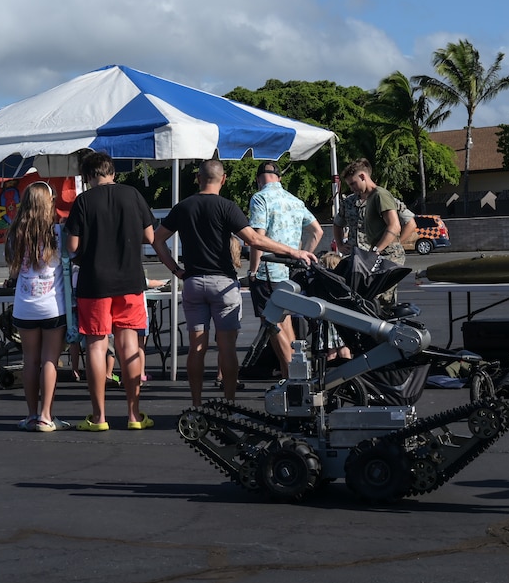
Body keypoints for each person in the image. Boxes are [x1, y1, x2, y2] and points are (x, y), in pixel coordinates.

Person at [151, 159, 318, 407]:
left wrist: (177, 271)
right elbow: (253, 240)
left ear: (198, 178)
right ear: (224, 179)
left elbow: (157, 240)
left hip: (194, 281)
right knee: (227, 347)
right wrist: (293, 252)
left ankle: (196, 404)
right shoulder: (227, 207)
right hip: (223, 284)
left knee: (197, 346)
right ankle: (229, 402)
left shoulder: (182, 207)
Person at [64, 151, 155, 431]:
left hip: (94, 283)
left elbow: (72, 248)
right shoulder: (133, 195)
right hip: (129, 280)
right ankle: (134, 415)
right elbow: (150, 237)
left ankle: (99, 416)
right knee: (129, 346)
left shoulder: (83, 201)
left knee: (96, 346)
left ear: (88, 176)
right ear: (113, 172)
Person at [247, 161, 324, 378]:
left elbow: (257, 239)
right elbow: (317, 232)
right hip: (290, 272)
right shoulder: (295, 201)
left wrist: (253, 270)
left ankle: (292, 376)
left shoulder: (260, 198)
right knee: (286, 321)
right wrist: (303, 255)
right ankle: (295, 372)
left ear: (258, 179)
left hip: (268, 271)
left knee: (272, 324)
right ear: (279, 178)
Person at [5, 182, 71, 431]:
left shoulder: (15, 234)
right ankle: (46, 416)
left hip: (25, 306)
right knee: (50, 361)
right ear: (48, 203)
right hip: (53, 306)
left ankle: (31, 415)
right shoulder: (57, 233)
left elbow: (13, 267)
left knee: (30, 360)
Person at [341, 158, 405, 310]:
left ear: (363, 177)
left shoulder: (380, 195)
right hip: (380, 254)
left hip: (388, 255)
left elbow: (394, 226)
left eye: (353, 183)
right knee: (370, 300)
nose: (352, 189)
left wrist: (376, 250)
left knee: (380, 301)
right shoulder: (369, 198)